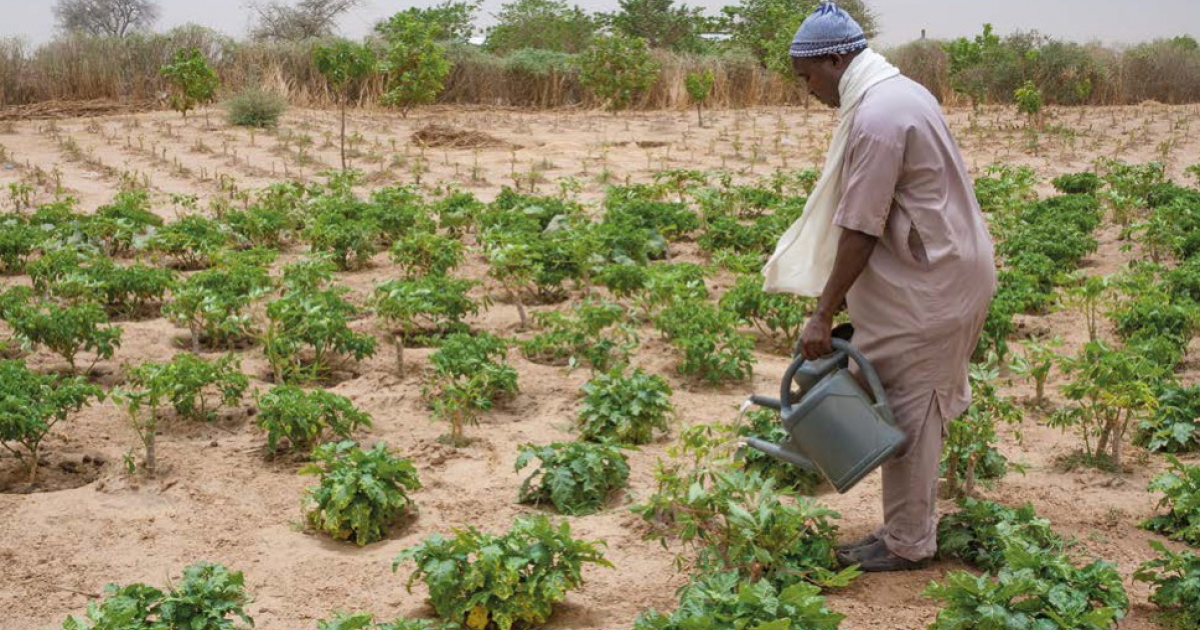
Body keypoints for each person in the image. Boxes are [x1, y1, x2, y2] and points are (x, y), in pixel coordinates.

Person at [763, 2, 997, 572]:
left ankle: (908, 543)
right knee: (902, 401)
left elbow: (862, 226)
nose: (809, 91)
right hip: (938, 272)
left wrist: (823, 312)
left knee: (911, 412)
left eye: (808, 77)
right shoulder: (899, 94)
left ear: (837, 60)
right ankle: (904, 528)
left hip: (932, 286)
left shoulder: (877, 116)